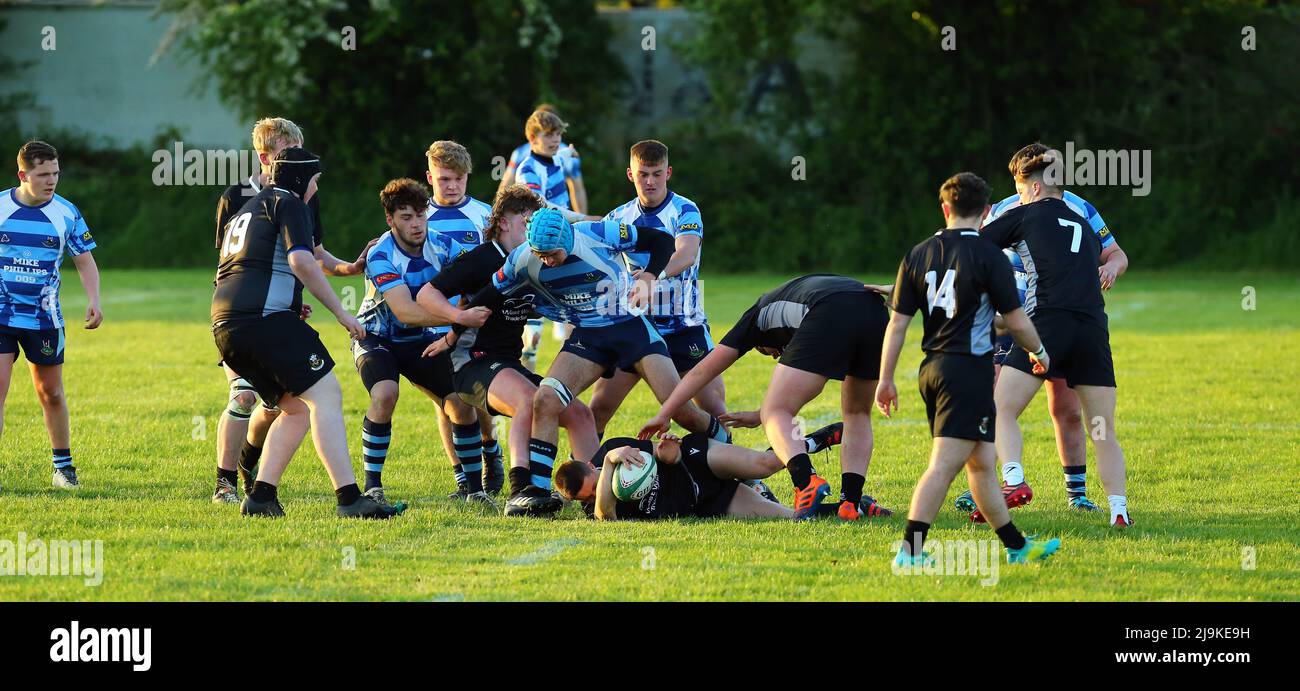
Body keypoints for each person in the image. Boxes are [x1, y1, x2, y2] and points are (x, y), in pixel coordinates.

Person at [426, 207, 732, 514]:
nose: (546, 260)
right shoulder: (522, 257)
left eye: (552, 254)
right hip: (589, 336)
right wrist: (453, 334)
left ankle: (726, 445)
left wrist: (650, 276)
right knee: (545, 399)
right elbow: (489, 292)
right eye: (540, 254)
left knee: (681, 412)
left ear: (568, 240)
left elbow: (662, 240)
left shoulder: (599, 234)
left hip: (631, 328)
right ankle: (537, 492)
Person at [875, 171, 1061, 566]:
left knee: (980, 465)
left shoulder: (918, 253)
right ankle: (909, 552)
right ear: (987, 212)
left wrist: (886, 379)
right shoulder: (990, 256)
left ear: (945, 208)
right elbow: (1015, 319)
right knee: (944, 465)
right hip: (967, 372)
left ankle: (1016, 547)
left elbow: (898, 324)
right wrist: (1040, 351)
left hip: (933, 369)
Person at [211, 147, 399, 519]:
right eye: (314, 181)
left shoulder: (249, 208)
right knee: (327, 394)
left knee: (295, 409)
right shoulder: (290, 203)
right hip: (262, 320)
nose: (316, 189)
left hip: (225, 325)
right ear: (300, 180)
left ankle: (261, 496)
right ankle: (349, 499)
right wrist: (342, 312)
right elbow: (301, 260)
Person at [952, 164, 1130, 517]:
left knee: (1002, 408)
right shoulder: (1078, 219)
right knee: (1104, 429)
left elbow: (969, 246)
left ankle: (1014, 479)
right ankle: (1119, 510)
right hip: (1092, 326)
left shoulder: (1025, 212)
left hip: (1039, 322)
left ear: (1032, 187)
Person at [641, 274, 893, 522]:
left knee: (776, 411)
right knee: (857, 414)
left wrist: (664, 413)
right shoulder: (794, 303)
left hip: (830, 308)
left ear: (760, 339)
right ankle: (850, 503)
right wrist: (758, 415)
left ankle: (806, 482)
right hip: (874, 309)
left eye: (765, 351)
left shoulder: (755, 318)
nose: (773, 356)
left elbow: (702, 370)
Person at [415, 186, 602, 516]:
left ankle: (594, 495)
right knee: (529, 401)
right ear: (502, 222)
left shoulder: (536, 260)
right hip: (472, 364)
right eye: (526, 221)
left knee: (579, 413)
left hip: (509, 365)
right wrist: (459, 318)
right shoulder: (481, 259)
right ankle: (521, 491)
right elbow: (426, 295)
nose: (533, 230)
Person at [351, 178, 491, 505]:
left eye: (420, 215)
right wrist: (459, 318)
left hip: (421, 341)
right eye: (405, 217)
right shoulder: (381, 253)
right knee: (385, 394)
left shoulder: (443, 245)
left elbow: (478, 276)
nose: (416, 225)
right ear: (390, 220)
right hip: (377, 338)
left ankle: (475, 491)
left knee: (460, 401)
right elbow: (406, 312)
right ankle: (373, 486)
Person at [589, 140, 725, 439]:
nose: (649, 181)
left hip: (683, 326)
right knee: (597, 410)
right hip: (636, 328)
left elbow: (686, 254)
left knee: (715, 412)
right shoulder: (617, 218)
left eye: (656, 173)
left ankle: (745, 481)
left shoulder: (685, 210)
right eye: (642, 174)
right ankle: (587, 479)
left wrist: (653, 275)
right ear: (630, 174)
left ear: (668, 173)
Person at [0, 140, 102, 492]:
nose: (51, 180)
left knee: (51, 393)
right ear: (23, 174)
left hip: (44, 320)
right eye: (43, 174)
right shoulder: (0, 207)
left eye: (56, 173)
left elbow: (84, 260)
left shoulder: (66, 212)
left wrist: (94, 299)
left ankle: (63, 468)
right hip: (1, 315)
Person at [422, 140, 506, 497]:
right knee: (446, 400)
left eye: (458, 178)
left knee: (473, 396)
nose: (452, 186)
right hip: (432, 321)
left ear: (468, 177)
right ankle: (462, 476)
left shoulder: (485, 216)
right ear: (429, 177)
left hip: (475, 321)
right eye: (444, 179)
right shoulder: (418, 216)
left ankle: (490, 448)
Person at [553, 424, 847, 520]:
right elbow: (605, 513)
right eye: (586, 497)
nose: (592, 495)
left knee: (766, 465)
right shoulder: (596, 504)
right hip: (706, 501)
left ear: (591, 465)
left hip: (696, 461)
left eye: (591, 485)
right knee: (793, 517)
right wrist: (613, 463)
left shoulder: (613, 445)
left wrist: (669, 451)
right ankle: (851, 507)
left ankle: (812, 440)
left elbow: (663, 452)